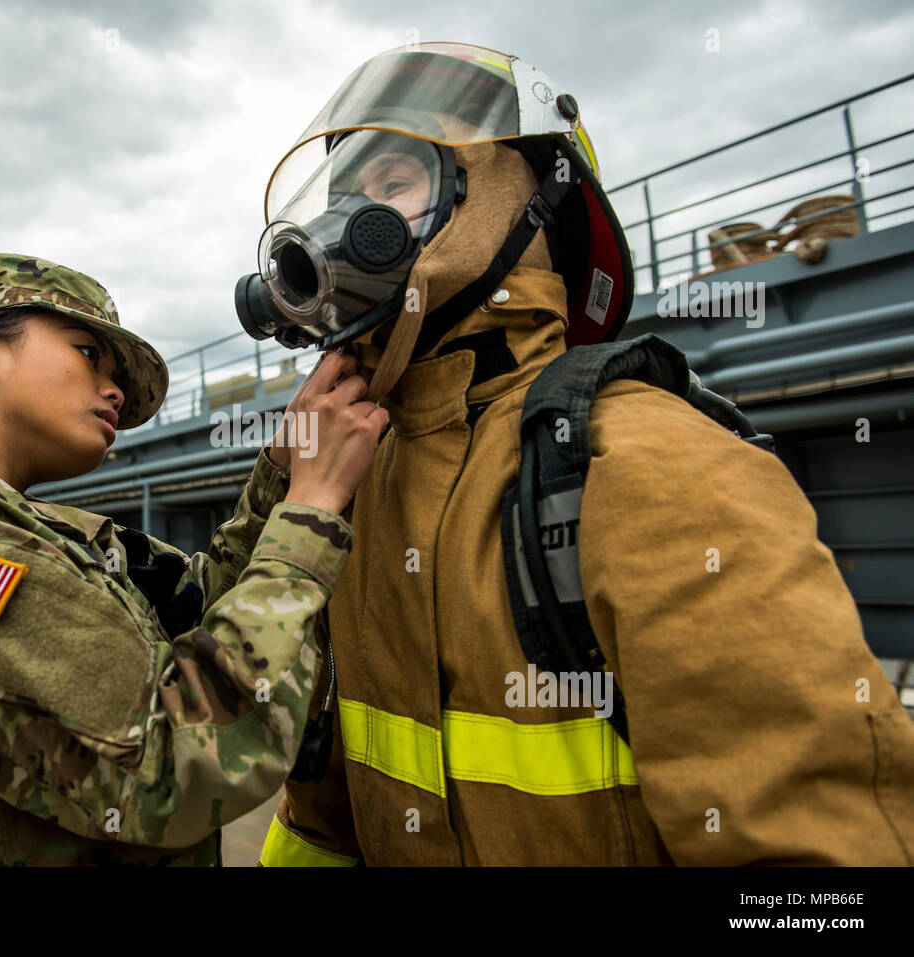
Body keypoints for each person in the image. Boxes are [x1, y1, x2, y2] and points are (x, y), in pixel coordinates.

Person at [241, 43, 914, 865]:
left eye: (393, 185)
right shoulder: (350, 488)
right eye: (347, 194)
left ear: (503, 204)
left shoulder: (643, 459)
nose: (348, 223)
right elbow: (321, 814)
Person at [0, 252, 389, 865]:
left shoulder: (38, 531)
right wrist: (311, 511)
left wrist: (280, 473)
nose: (114, 390)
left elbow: (200, 606)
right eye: (88, 353)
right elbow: (178, 764)